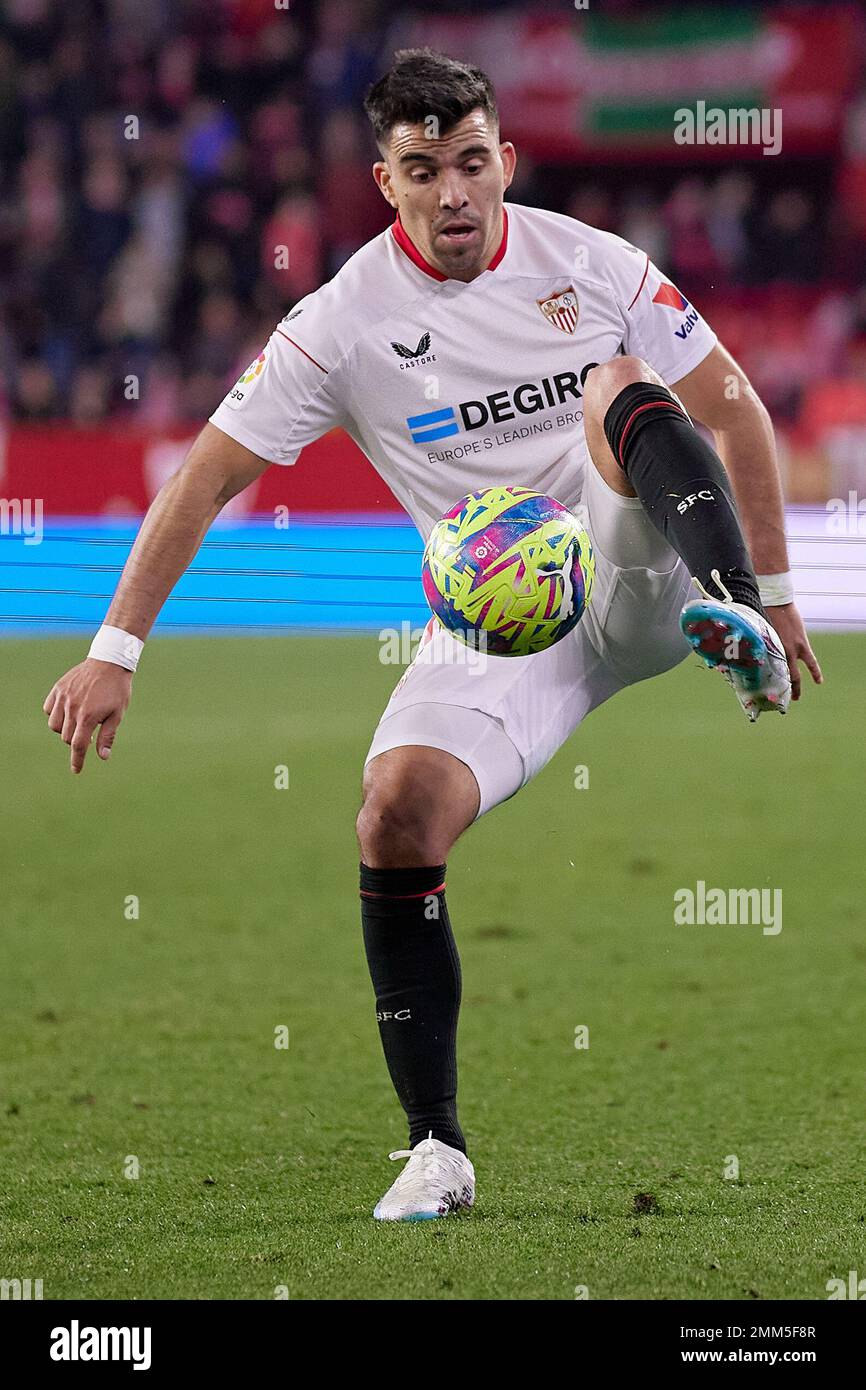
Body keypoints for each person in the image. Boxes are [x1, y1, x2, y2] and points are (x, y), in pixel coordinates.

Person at [43, 49, 822, 1222]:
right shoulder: (341, 321)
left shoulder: (593, 265)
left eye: (470, 163)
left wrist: (767, 590)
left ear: (503, 160)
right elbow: (206, 475)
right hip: (504, 620)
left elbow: (732, 408)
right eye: (423, 170)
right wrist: (115, 649)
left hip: (637, 564)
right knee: (393, 808)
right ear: (385, 181)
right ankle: (436, 1149)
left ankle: (729, 629)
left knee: (618, 382)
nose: (454, 192)